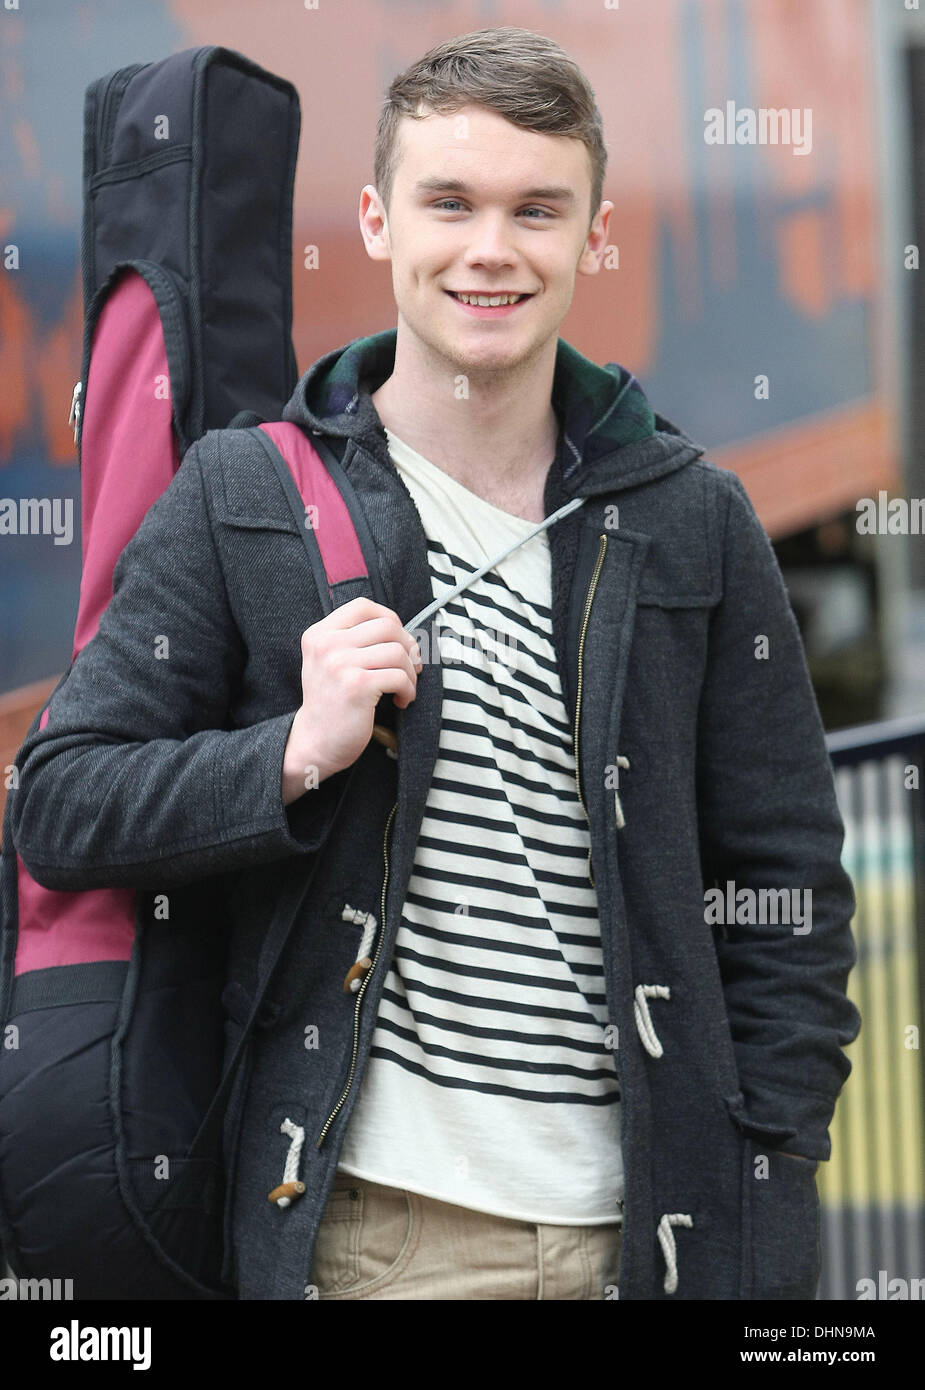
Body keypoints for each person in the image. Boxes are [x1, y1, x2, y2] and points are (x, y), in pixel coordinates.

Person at [11, 26, 860, 1301]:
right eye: (448, 202)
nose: (490, 249)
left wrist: (772, 1152)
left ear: (591, 233)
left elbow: (785, 878)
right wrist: (292, 753)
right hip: (377, 1243)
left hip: (660, 1237)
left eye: (536, 209)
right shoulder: (250, 495)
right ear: (375, 218)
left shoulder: (690, 515)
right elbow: (63, 802)